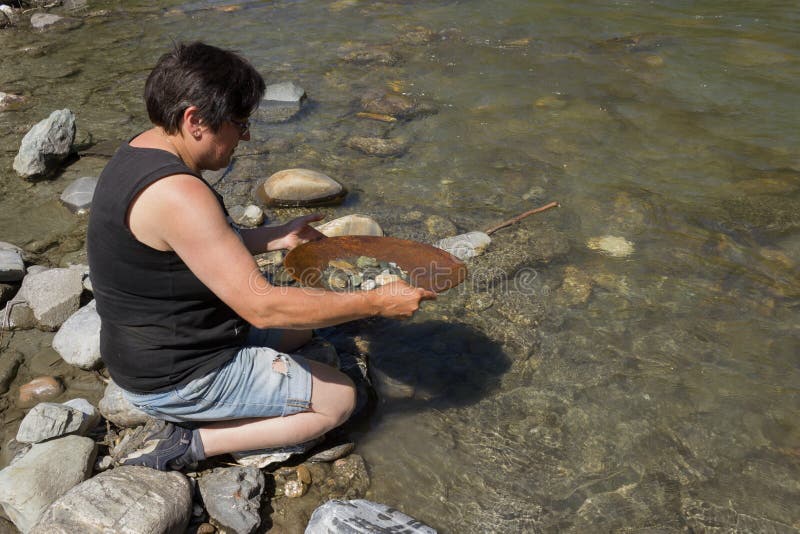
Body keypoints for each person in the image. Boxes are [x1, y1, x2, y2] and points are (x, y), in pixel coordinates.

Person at [86, 42, 436, 470]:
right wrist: (376, 302)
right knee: (338, 400)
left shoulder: (141, 151)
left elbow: (190, 247)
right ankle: (192, 446)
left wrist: (276, 236)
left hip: (155, 347)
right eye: (239, 122)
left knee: (303, 332)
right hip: (175, 377)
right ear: (195, 120)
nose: (246, 135)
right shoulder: (179, 195)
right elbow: (263, 307)